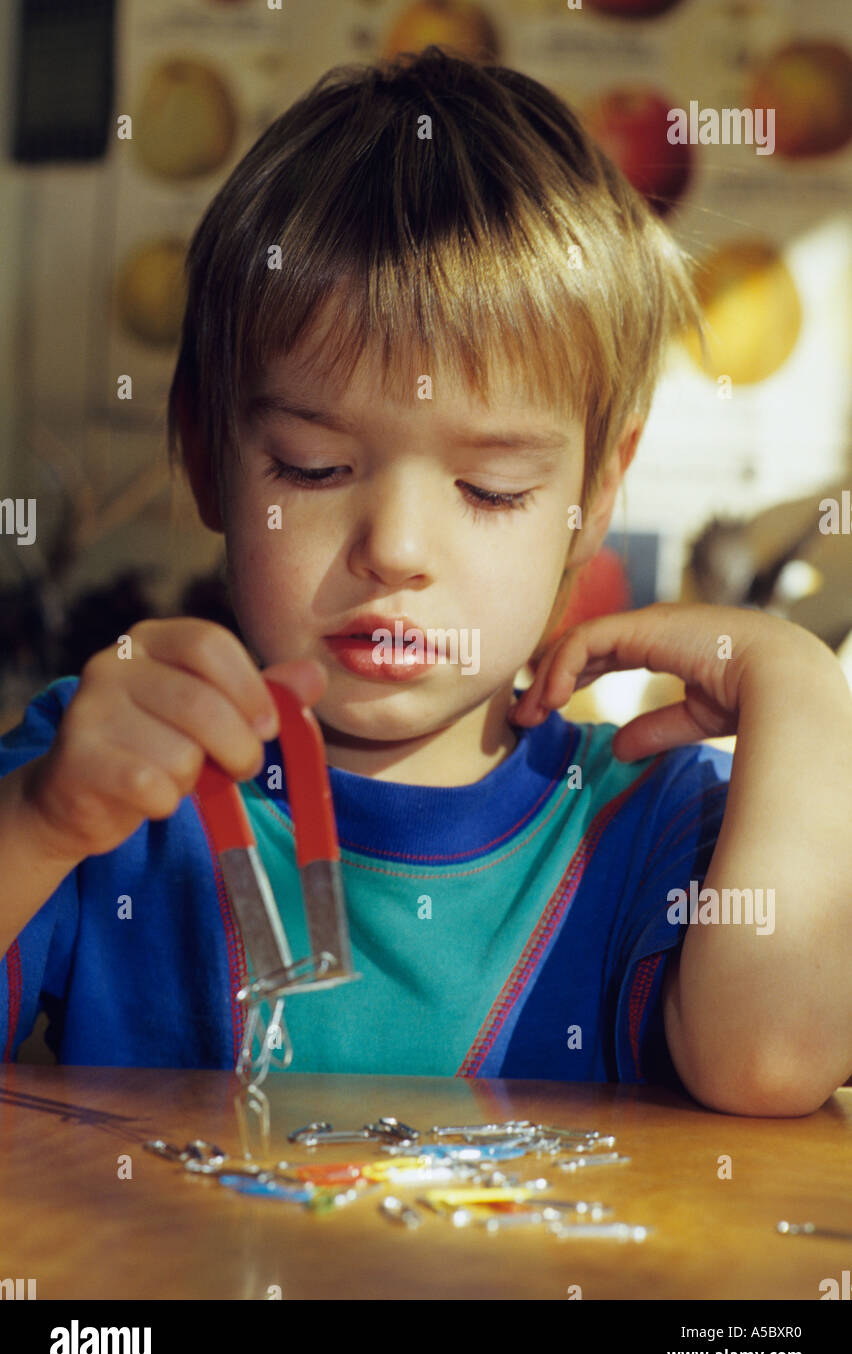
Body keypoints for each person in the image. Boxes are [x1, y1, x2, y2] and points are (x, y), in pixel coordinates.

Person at [1, 49, 849, 1115]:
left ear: (592, 494)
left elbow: (770, 1063)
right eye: (313, 469)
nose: (395, 547)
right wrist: (39, 819)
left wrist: (804, 688)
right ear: (208, 457)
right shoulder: (109, 787)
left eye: (490, 487)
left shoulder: (649, 832)